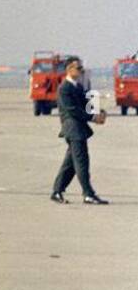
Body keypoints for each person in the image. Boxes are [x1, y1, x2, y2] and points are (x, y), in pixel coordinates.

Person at [51, 56, 108, 204]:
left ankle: (57, 191)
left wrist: (99, 112)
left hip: (79, 130)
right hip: (73, 130)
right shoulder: (64, 88)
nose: (81, 71)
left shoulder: (77, 86)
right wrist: (94, 118)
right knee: (82, 163)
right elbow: (73, 110)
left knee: (70, 164)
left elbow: (85, 103)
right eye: (79, 68)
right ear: (69, 69)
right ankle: (88, 194)